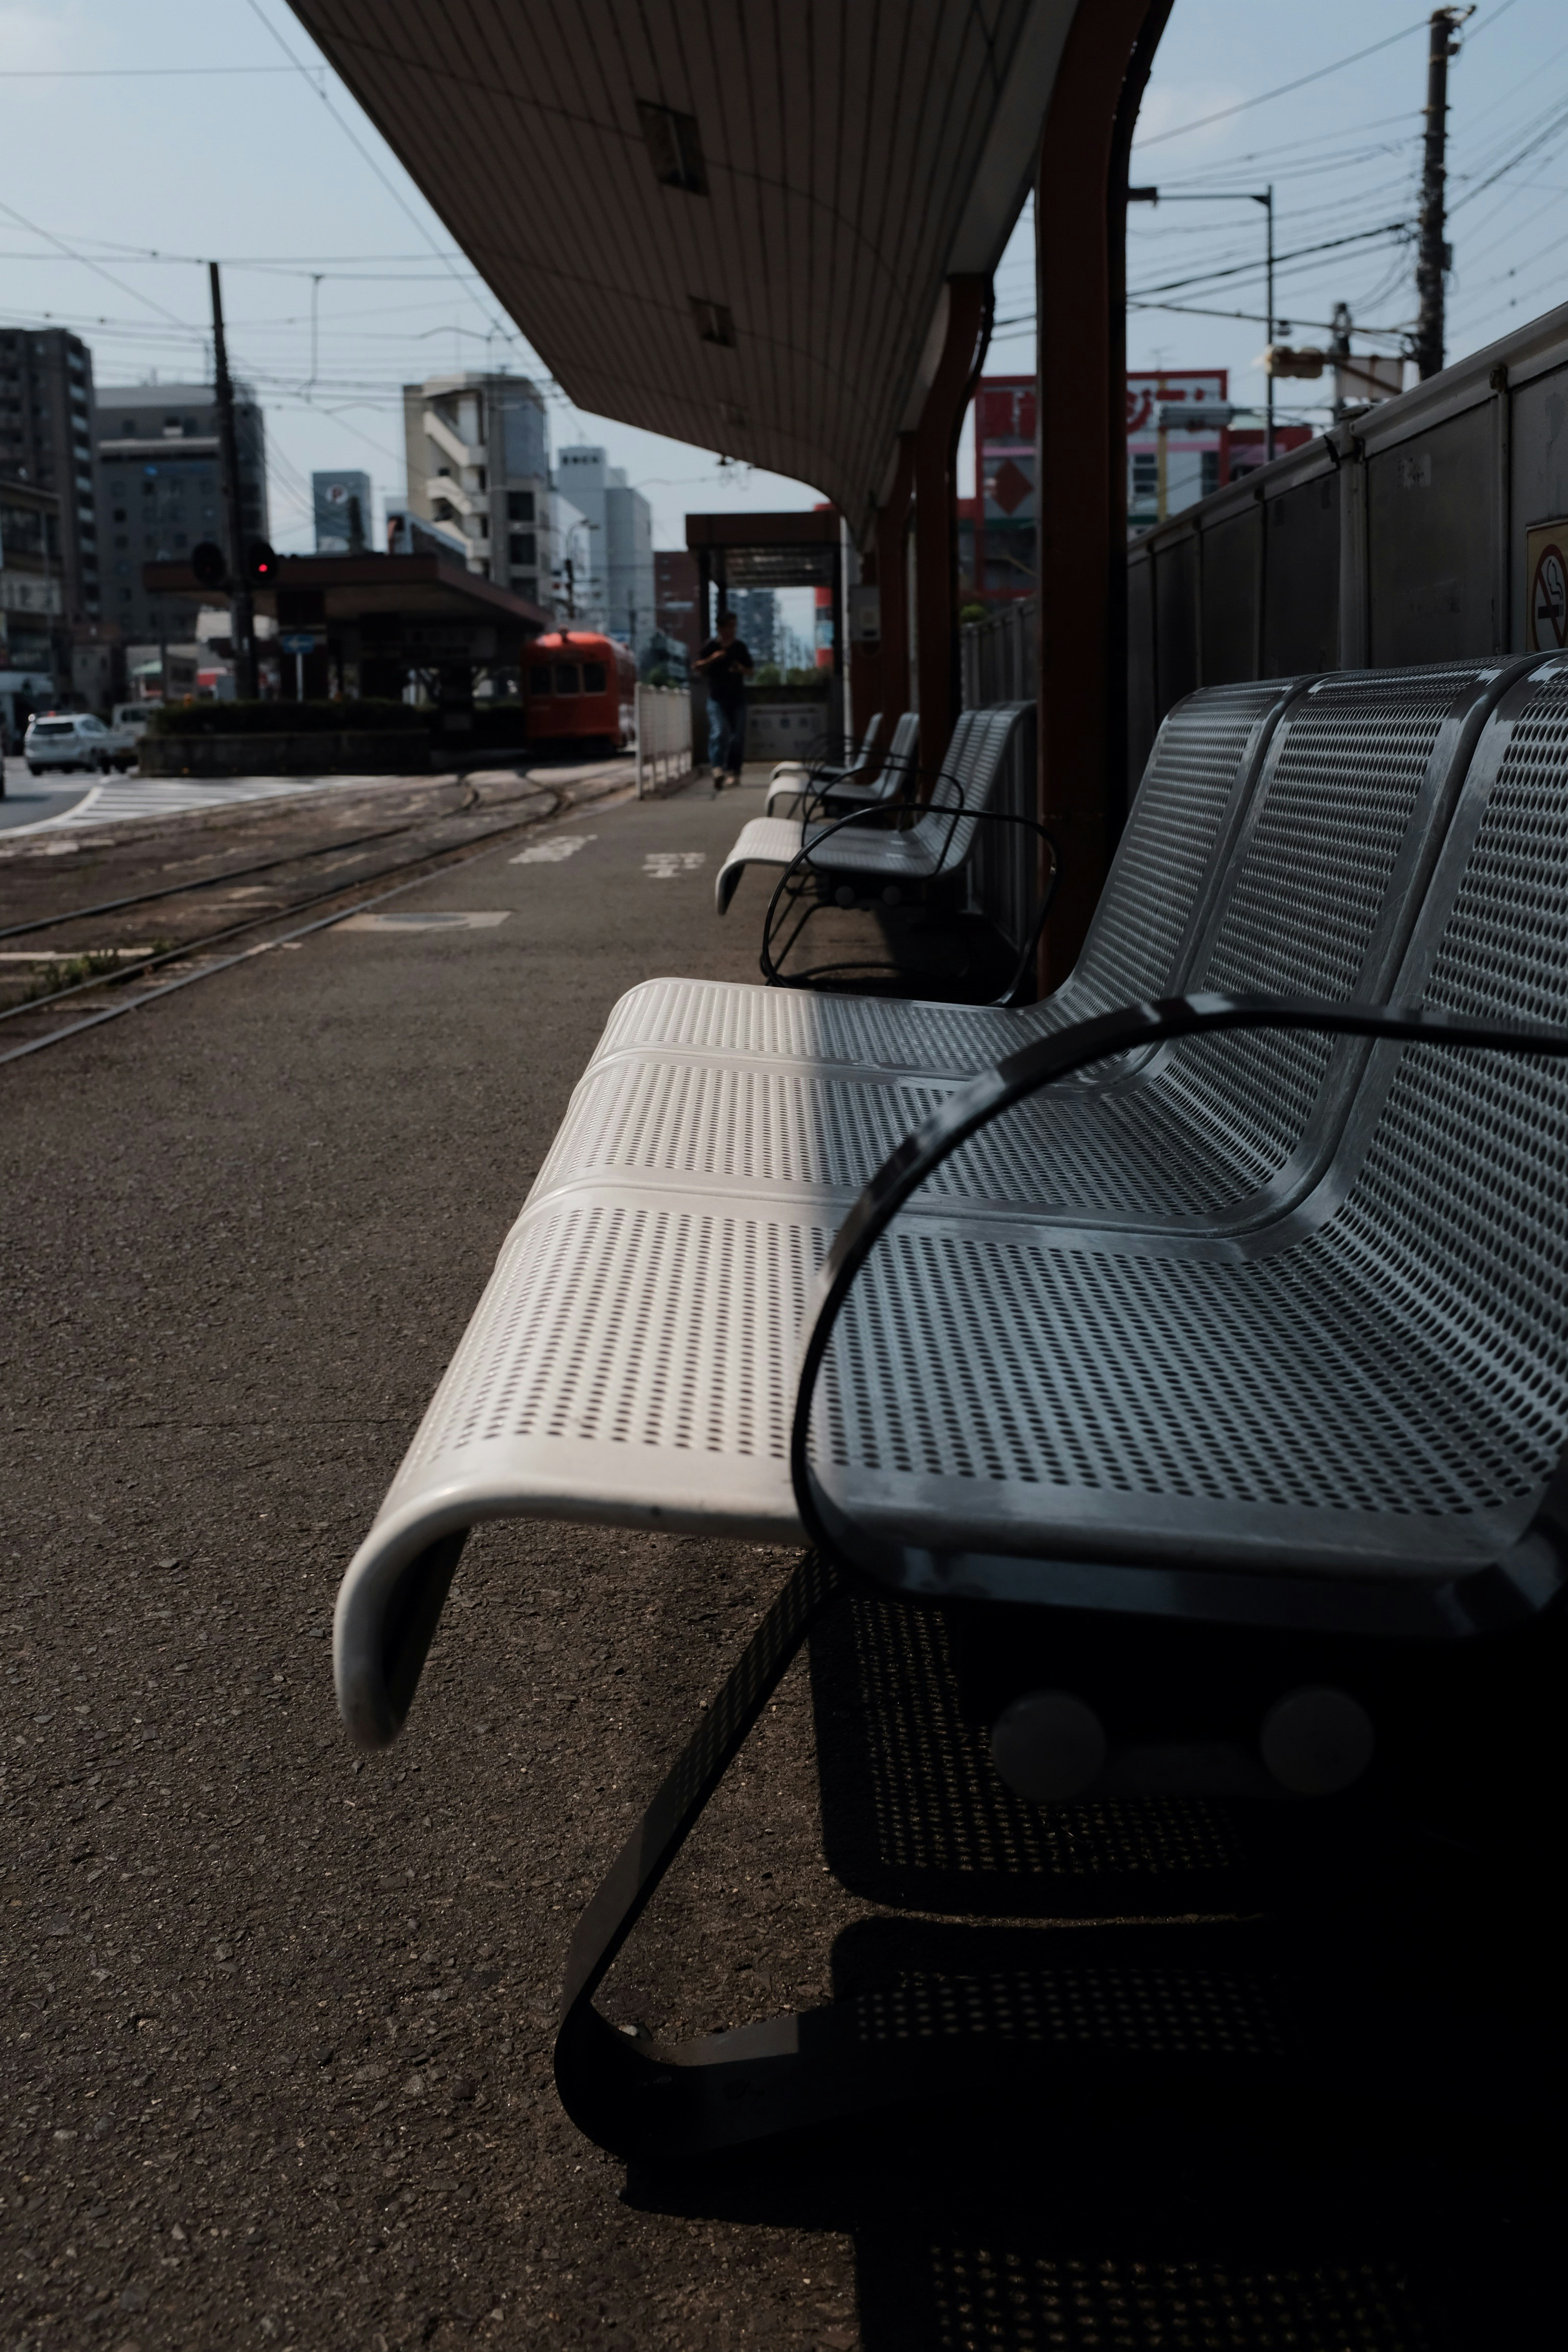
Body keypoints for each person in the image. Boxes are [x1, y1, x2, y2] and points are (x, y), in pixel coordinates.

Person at [694, 610, 753, 790]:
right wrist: (713, 659)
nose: (732, 630)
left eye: (734, 627)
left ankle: (734, 772)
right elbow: (696, 666)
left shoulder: (740, 647)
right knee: (719, 731)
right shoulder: (711, 646)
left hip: (738, 699)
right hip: (717, 698)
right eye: (729, 626)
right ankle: (718, 769)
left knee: (737, 737)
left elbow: (751, 671)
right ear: (720, 628)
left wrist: (741, 668)